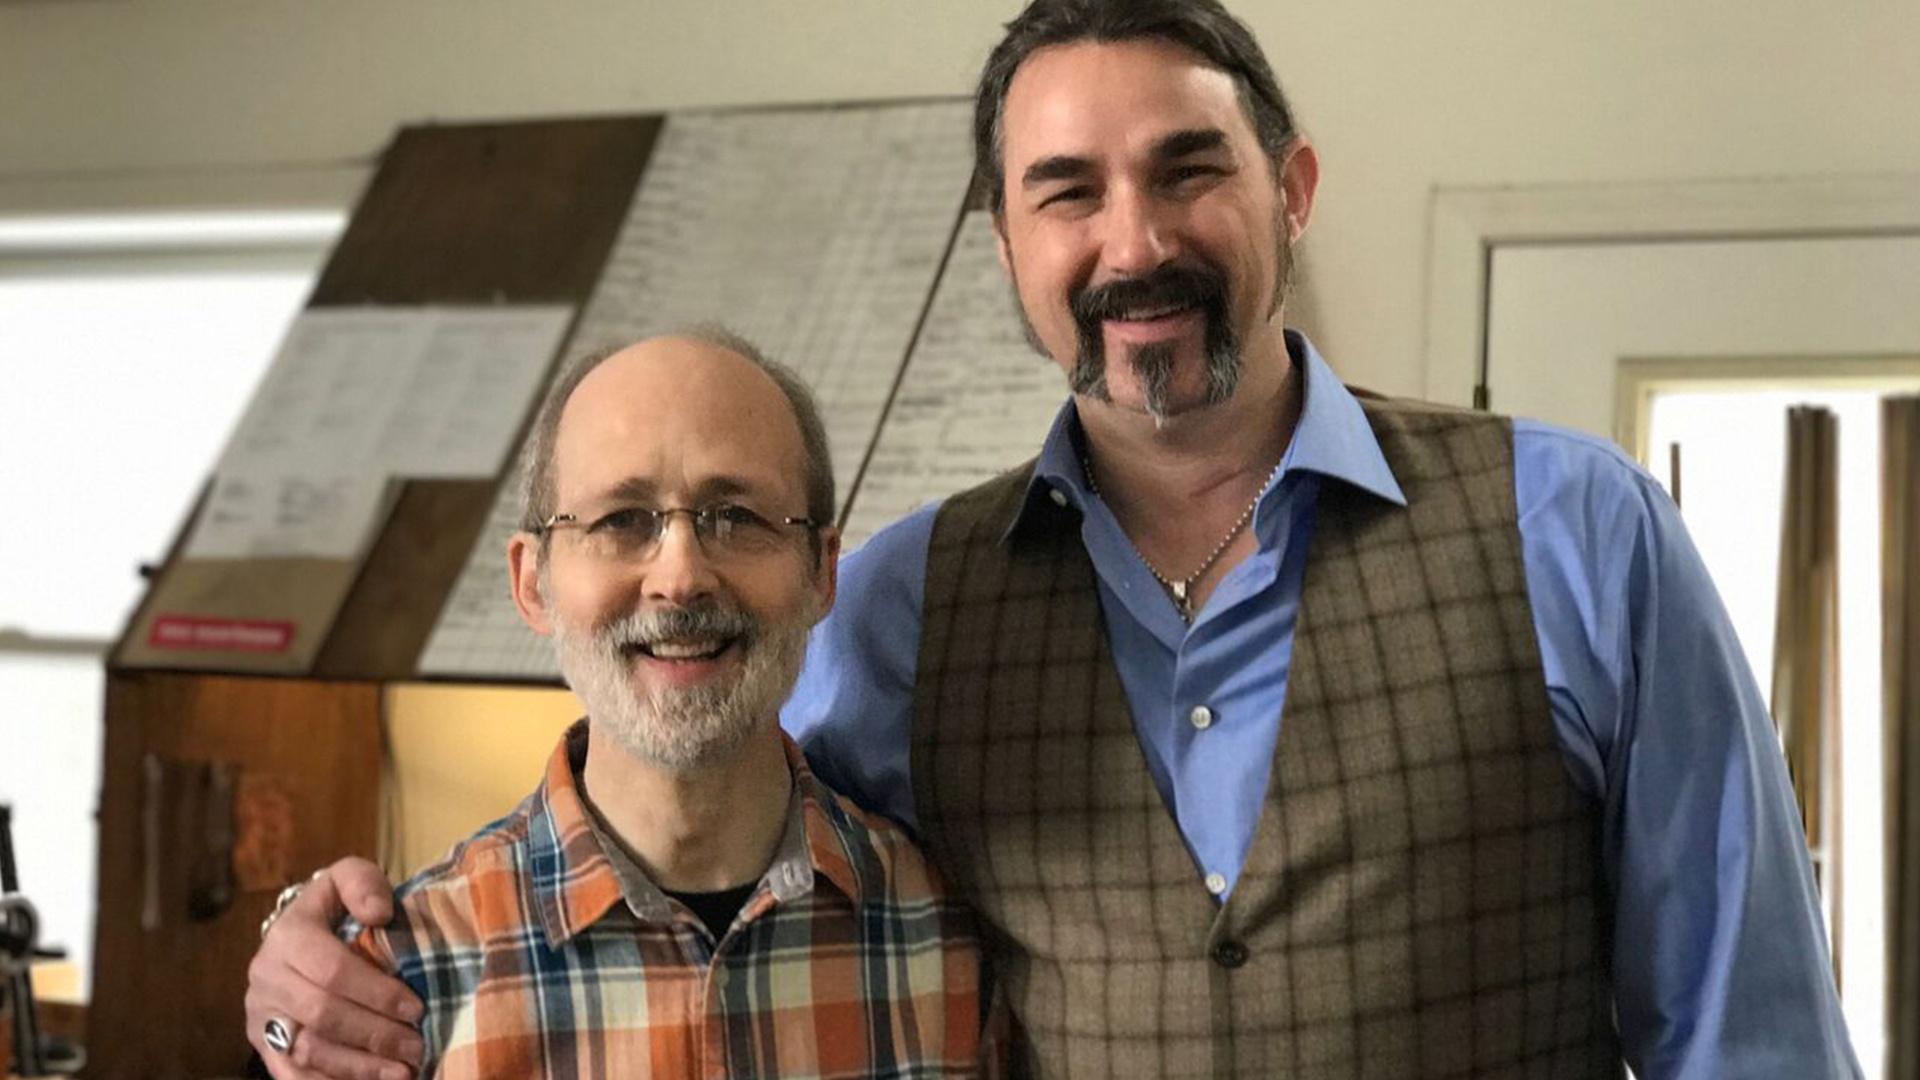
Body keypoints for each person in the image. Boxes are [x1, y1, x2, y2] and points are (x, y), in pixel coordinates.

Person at [247, 1, 1861, 1076]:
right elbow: (679, 770)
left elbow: (1751, 1037)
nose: (1133, 242)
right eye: (1067, 192)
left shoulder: (1575, 532)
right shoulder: (896, 605)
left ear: (1290, 191)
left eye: (1188, 172)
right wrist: (322, 956)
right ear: (1008, 241)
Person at [247, 330, 992, 1077]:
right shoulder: (383, 991)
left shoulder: (950, 945)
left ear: (822, 573)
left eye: (735, 516)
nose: (680, 577)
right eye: (620, 520)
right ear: (532, 582)